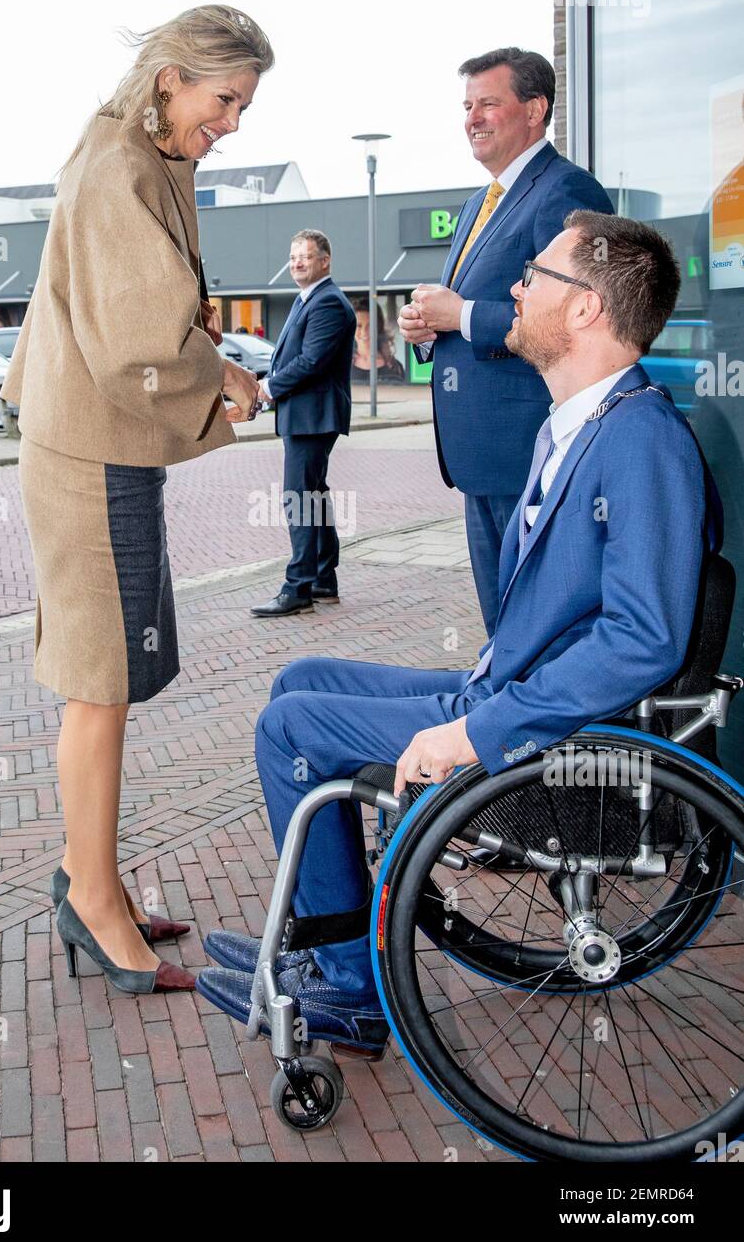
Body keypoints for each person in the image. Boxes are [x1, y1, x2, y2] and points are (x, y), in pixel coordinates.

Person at [198, 210, 723, 1052]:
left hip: (558, 736)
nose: (514, 288)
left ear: (585, 308)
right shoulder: (581, 424)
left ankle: (348, 984)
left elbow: (643, 640)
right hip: (508, 689)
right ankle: (329, 931)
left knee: (288, 727)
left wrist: (474, 732)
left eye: (535, 276)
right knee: (297, 679)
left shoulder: (639, 440)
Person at [0, 5, 272, 997]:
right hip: (89, 449)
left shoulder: (134, 155)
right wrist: (225, 374)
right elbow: (140, 334)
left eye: (243, 104)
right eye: (225, 98)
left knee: (105, 676)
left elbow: (144, 308)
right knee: (100, 683)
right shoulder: (122, 164)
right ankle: (96, 907)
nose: (234, 121)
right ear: (170, 77)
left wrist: (206, 351)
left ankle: (89, 875)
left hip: (94, 441)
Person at [400, 47, 614, 637]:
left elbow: (576, 317)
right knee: (504, 625)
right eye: (467, 106)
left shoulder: (569, 192)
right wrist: (428, 329)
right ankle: (506, 721)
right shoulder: (476, 203)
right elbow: (465, 313)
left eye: (489, 103)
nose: (473, 117)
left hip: (530, 449)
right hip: (480, 460)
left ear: (535, 109)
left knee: (540, 627)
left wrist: (463, 313)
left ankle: (539, 728)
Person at [250, 230, 356, 616]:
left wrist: (268, 389)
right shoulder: (307, 300)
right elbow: (290, 357)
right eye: (293, 256)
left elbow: (310, 362)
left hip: (313, 417)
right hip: (305, 415)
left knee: (299, 499)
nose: (296, 263)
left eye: (305, 257)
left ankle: (298, 589)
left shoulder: (328, 303)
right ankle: (323, 580)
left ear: (325, 261)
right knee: (313, 496)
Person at [350, 298, 405, 384]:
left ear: (379, 326)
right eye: (359, 326)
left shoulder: (395, 367)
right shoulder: (342, 366)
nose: (364, 332)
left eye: (370, 325)